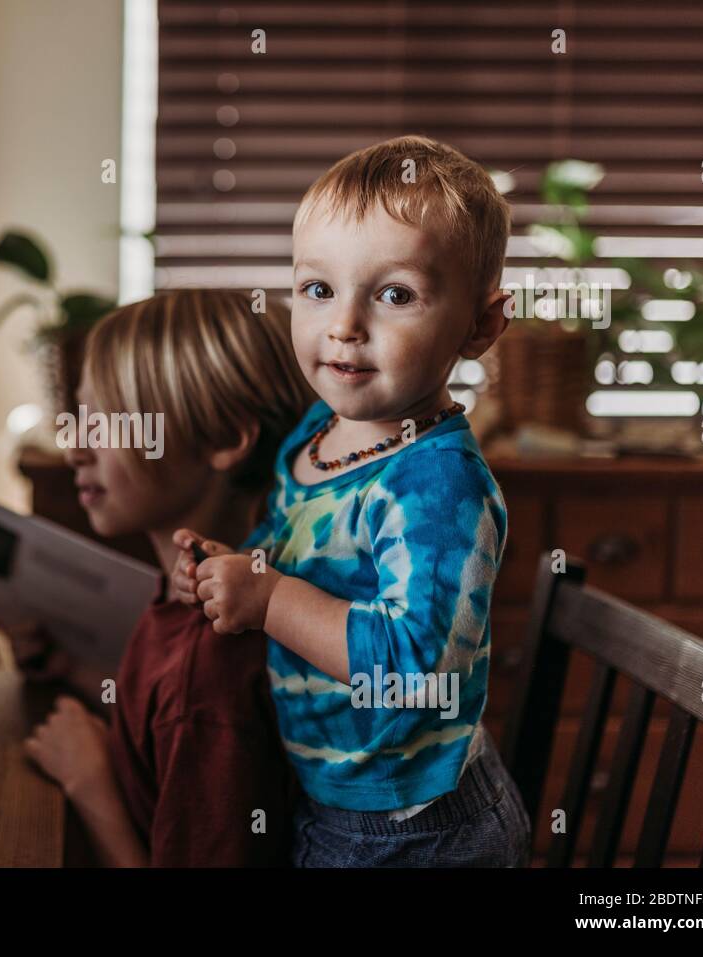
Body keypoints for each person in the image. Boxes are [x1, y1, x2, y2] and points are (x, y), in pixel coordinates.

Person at [174, 136, 532, 867]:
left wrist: (269, 600)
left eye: (394, 294)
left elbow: (411, 666)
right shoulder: (317, 433)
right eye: (318, 288)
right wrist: (234, 574)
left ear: (480, 326)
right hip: (333, 795)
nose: (344, 325)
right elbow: (289, 550)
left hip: (418, 829)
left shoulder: (437, 486)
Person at [23, 288, 314, 866]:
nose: (76, 447)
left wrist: (90, 781)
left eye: (106, 422)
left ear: (226, 437)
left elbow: (191, 710)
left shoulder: (214, 658)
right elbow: (166, 724)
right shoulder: (205, 590)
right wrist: (72, 670)